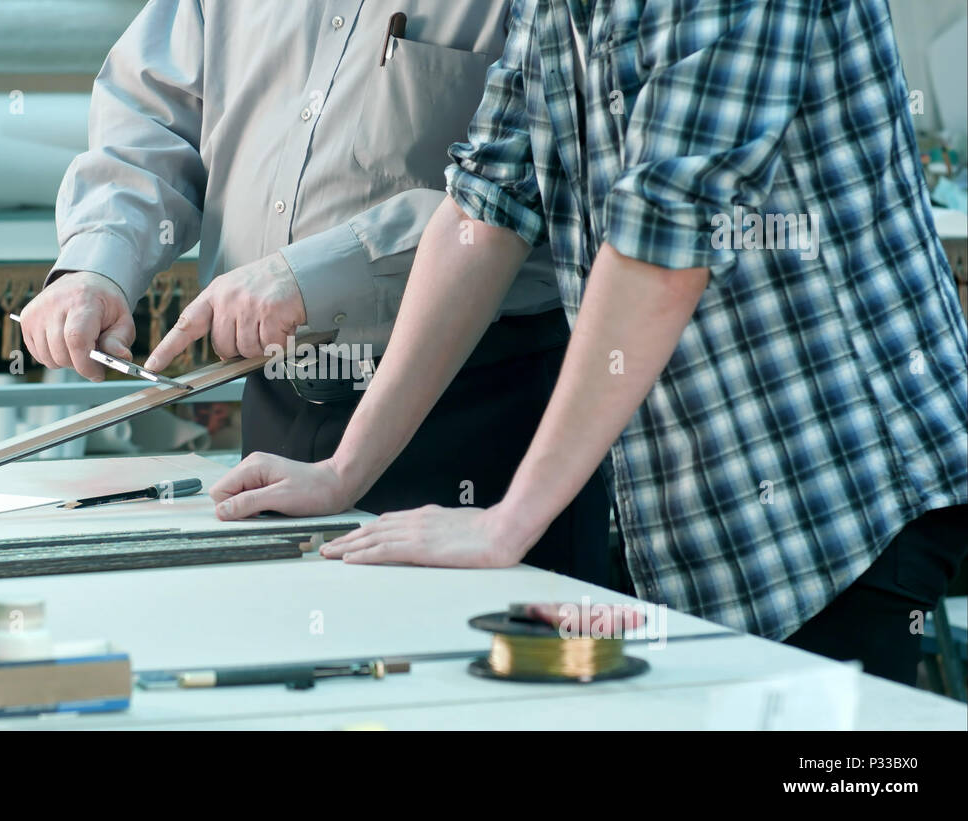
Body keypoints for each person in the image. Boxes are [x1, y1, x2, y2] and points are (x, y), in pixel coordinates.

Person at [210, 0, 968, 685]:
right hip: (694, 515)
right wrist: (344, 473)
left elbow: (661, 248)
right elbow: (486, 206)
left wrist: (508, 522)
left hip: (842, 494)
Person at [17, 0, 612, 585]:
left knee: (484, 667)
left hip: (484, 410)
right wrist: (99, 259)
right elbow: (151, 115)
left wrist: (320, 272)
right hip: (278, 405)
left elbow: (531, 197)